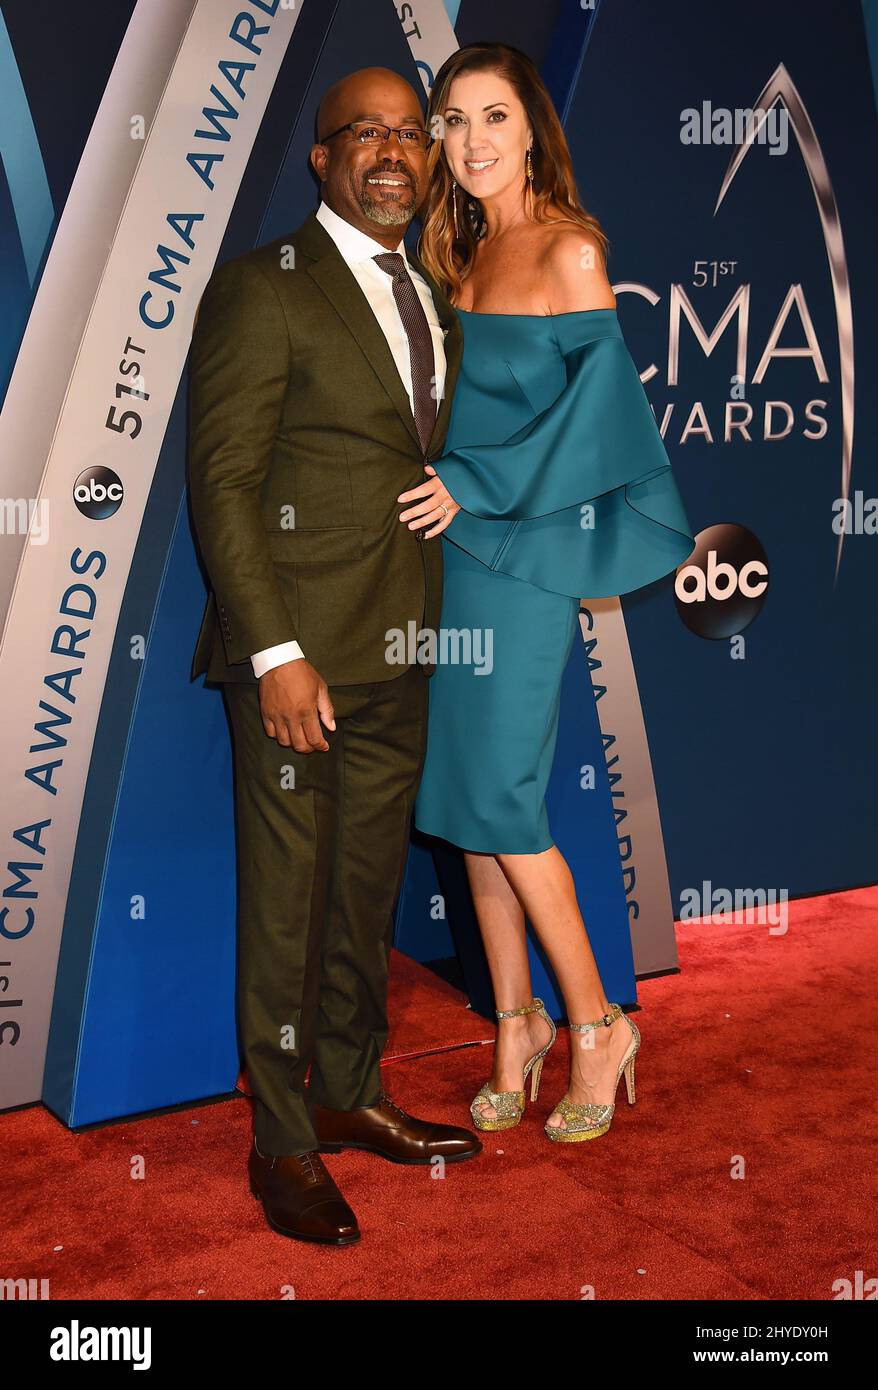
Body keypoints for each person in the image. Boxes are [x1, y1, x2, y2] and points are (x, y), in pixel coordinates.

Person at [187, 66, 481, 1246]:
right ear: (321, 158)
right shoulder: (265, 286)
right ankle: (281, 1139)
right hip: (299, 662)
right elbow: (222, 483)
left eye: (410, 133)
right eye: (364, 133)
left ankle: (350, 1091)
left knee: (363, 896)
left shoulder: (434, 292)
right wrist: (274, 652)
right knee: (287, 909)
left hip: (401, 645)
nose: (392, 152)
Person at [400, 43, 695, 1142]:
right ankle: (513, 1024)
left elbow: (599, 422)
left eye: (494, 117)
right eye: (454, 120)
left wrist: (471, 484)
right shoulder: (459, 255)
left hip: (523, 568)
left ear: (531, 132)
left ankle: (597, 1024)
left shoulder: (571, 251)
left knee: (506, 806)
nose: (472, 140)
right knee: (465, 810)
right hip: (452, 562)